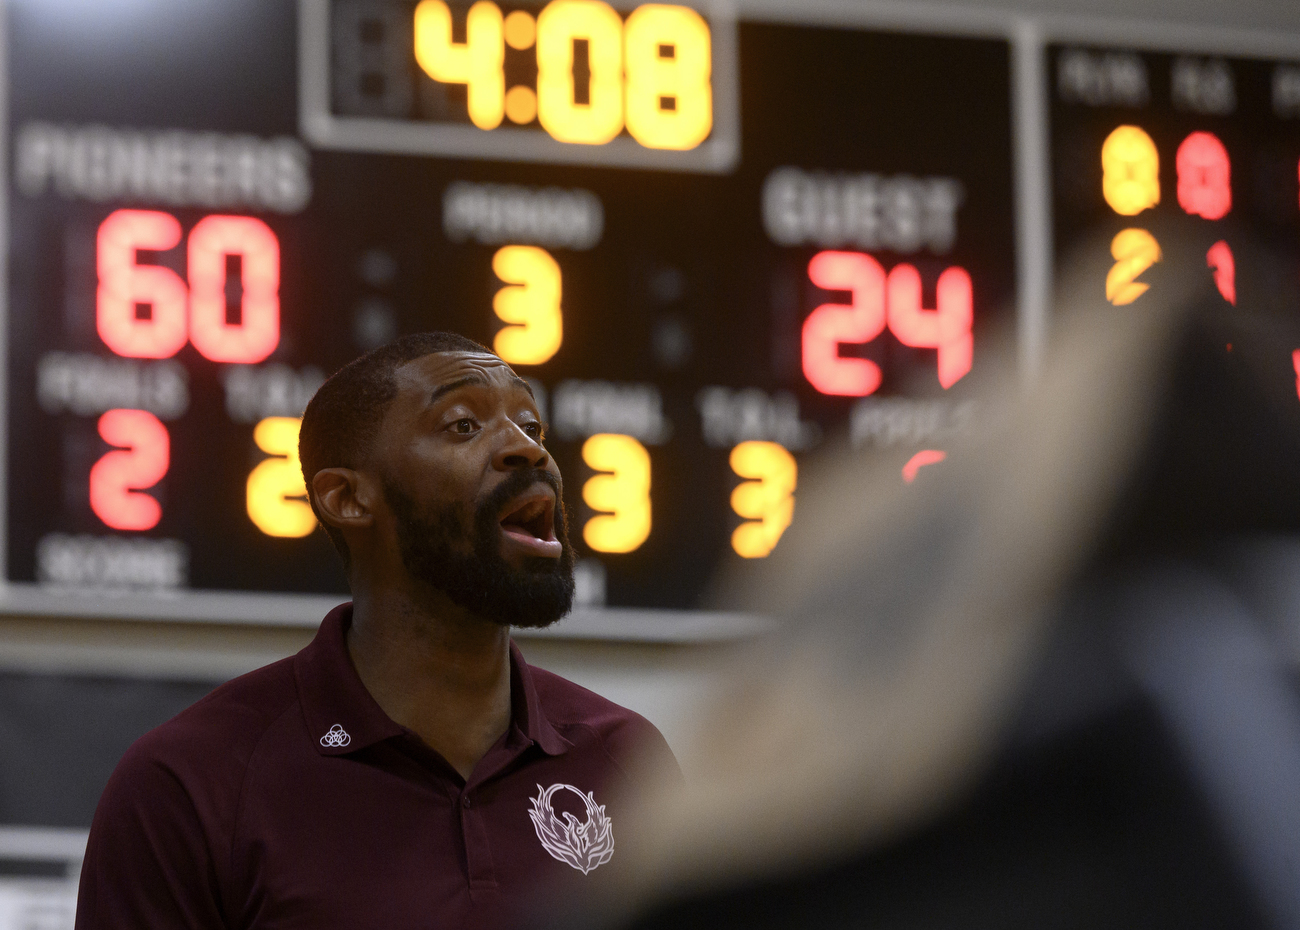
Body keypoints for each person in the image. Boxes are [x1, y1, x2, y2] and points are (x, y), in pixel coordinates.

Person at [74, 333, 679, 930]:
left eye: (532, 427)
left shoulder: (628, 760)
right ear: (347, 497)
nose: (528, 450)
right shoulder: (190, 782)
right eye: (464, 425)